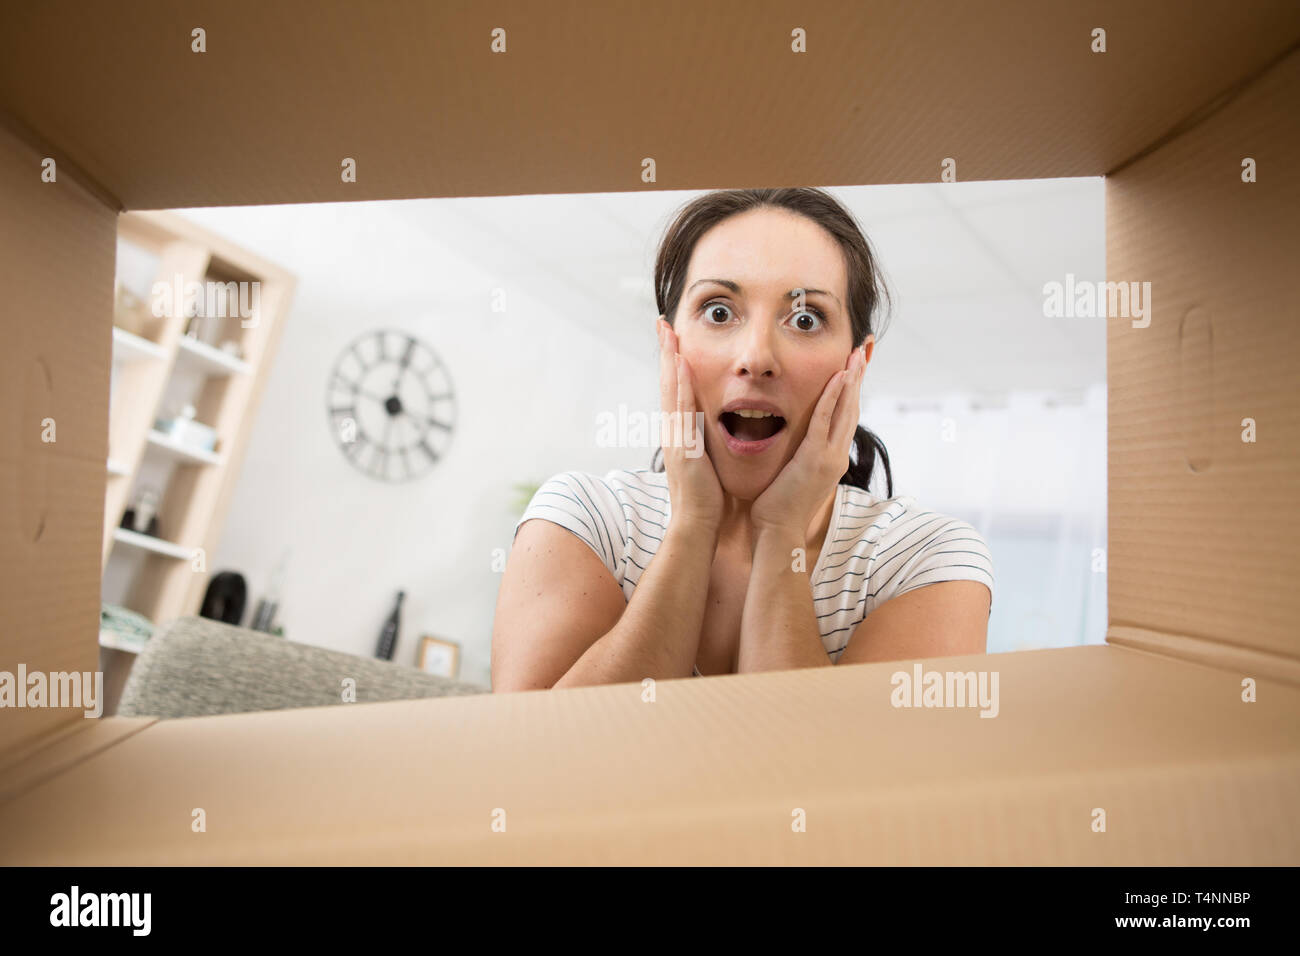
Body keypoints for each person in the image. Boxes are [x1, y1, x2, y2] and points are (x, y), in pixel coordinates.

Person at [491, 187, 993, 691]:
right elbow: (535, 758)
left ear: (856, 364)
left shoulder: (926, 559)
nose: (756, 357)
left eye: (805, 318)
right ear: (670, 344)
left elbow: (843, 770)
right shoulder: (586, 518)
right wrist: (692, 526)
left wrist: (781, 531)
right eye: (718, 311)